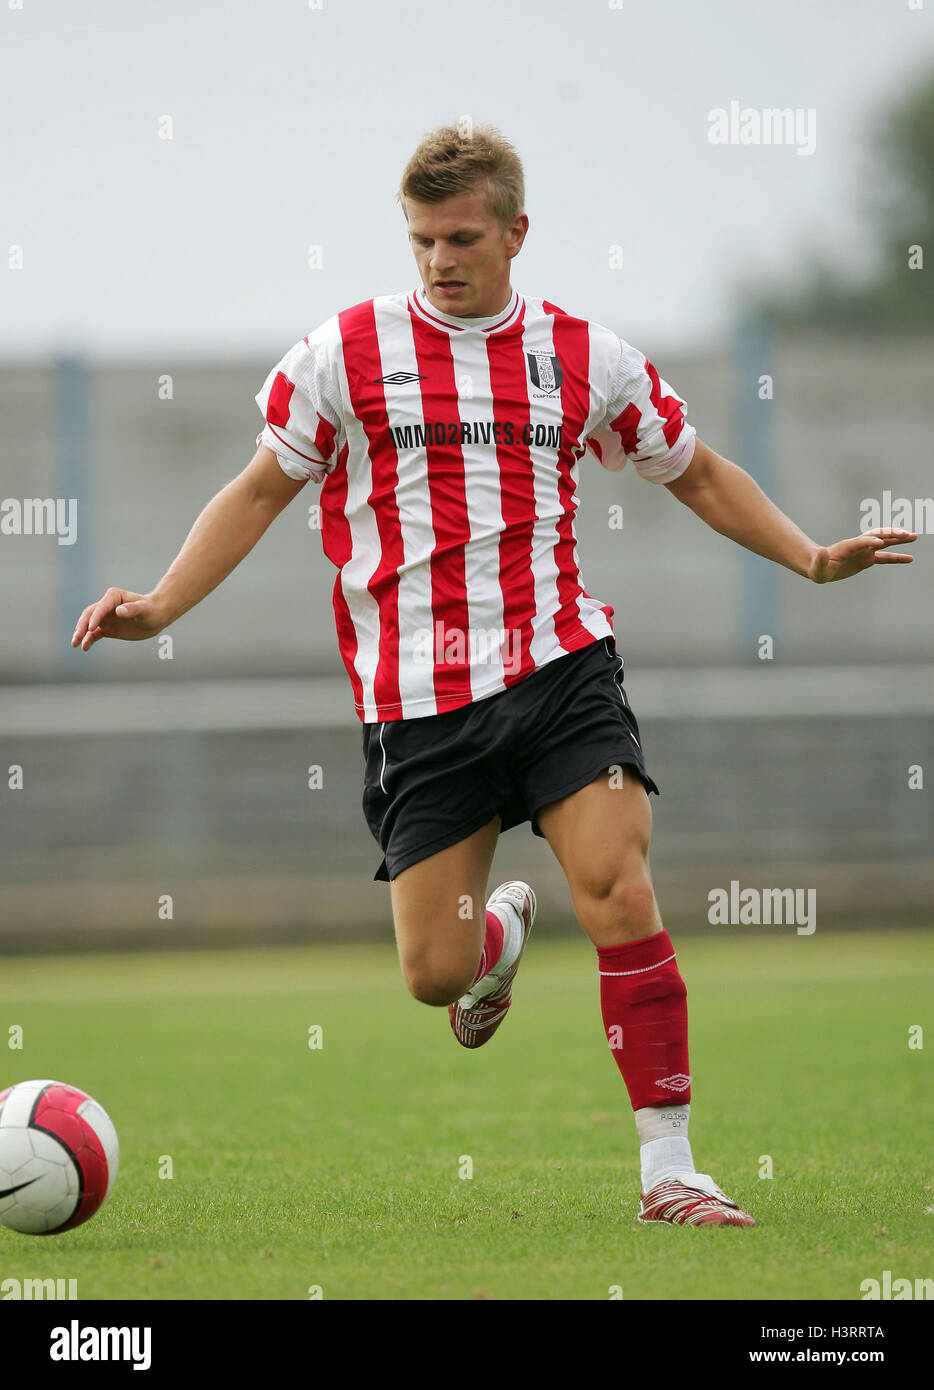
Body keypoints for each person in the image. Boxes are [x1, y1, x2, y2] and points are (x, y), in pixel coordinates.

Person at [72, 123, 915, 1227]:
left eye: (461, 236)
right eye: (420, 239)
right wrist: (163, 605)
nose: (438, 260)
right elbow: (255, 493)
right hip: (417, 703)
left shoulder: (583, 355)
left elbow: (696, 472)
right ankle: (499, 941)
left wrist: (807, 555)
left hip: (560, 664)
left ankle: (671, 1168)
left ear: (517, 232)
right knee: (434, 972)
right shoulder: (342, 356)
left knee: (617, 883)